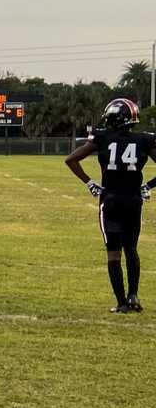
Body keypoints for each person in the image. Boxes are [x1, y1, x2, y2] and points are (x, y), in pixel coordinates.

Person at [65, 97, 156, 313]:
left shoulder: (102, 137)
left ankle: (121, 302)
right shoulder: (144, 139)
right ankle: (133, 296)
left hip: (110, 200)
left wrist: (90, 183)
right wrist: (149, 186)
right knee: (131, 248)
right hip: (134, 200)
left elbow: (71, 159)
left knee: (113, 253)